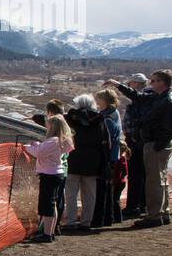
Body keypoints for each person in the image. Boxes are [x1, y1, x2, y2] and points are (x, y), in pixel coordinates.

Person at [107, 70, 172, 228]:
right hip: (154, 143)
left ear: (162, 83)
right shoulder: (159, 97)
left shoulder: (168, 101)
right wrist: (119, 85)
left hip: (156, 145)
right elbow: (138, 96)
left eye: (153, 81)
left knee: (154, 182)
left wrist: (156, 145)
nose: (150, 83)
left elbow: (170, 129)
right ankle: (163, 212)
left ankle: (154, 216)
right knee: (160, 180)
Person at [23, 114, 74, 243]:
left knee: (48, 204)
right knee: (52, 204)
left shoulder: (54, 141)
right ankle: (49, 232)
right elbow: (44, 150)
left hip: (49, 174)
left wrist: (28, 147)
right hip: (57, 173)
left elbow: (39, 152)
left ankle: (47, 234)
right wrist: (38, 146)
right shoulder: (63, 140)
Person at [63, 94, 109, 233]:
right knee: (89, 194)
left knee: (71, 194)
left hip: (73, 159)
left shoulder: (70, 119)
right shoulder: (100, 120)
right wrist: (105, 162)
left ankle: (71, 221)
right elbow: (105, 143)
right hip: (93, 162)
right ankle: (86, 222)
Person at [108, 73, 150, 218]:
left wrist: (134, 135)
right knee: (141, 174)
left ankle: (134, 206)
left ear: (136, 83)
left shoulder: (142, 99)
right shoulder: (145, 99)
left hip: (137, 141)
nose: (130, 86)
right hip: (136, 140)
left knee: (136, 174)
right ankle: (141, 205)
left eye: (130, 83)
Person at [91, 88, 123, 226]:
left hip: (107, 156)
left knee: (103, 188)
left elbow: (106, 138)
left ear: (105, 100)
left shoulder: (108, 118)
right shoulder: (112, 114)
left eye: (99, 98)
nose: (97, 101)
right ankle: (111, 216)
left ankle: (101, 218)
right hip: (111, 156)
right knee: (108, 188)